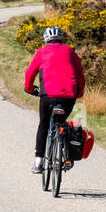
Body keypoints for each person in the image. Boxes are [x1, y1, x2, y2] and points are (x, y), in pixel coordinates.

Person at [23, 26, 85, 173]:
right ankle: (67, 156)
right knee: (62, 123)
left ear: (46, 39)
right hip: (69, 96)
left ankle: (38, 162)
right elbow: (80, 75)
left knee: (44, 125)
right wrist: (80, 92)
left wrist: (30, 89)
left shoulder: (41, 52)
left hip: (48, 96)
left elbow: (30, 73)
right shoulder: (70, 51)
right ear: (61, 38)